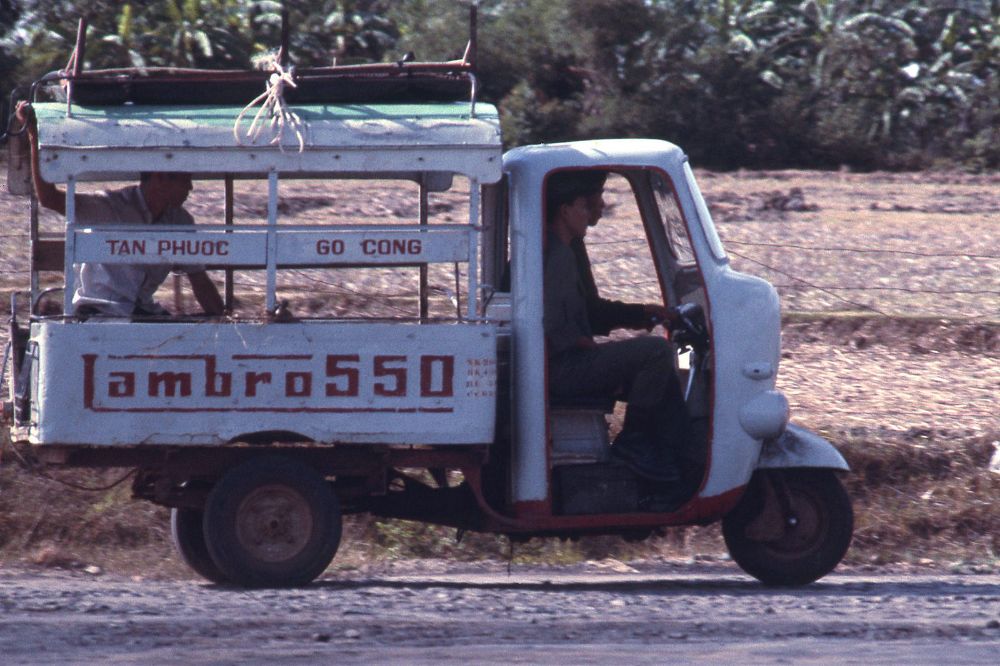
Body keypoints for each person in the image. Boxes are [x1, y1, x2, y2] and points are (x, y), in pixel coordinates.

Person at [543, 170, 692, 486]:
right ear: (565, 210)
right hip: (562, 367)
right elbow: (553, 326)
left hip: (565, 361)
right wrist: (586, 346)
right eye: (586, 204)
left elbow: (587, 313)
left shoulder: (563, 249)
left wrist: (645, 314)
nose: (594, 210)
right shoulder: (556, 257)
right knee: (656, 352)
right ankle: (635, 445)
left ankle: (668, 466)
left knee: (665, 374)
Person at [14, 101, 224, 318]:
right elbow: (49, 199)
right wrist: (34, 136)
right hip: (100, 311)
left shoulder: (181, 221)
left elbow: (199, 278)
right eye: (184, 179)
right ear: (160, 177)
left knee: (185, 329)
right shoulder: (108, 207)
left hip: (143, 313)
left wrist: (222, 318)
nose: (190, 187)